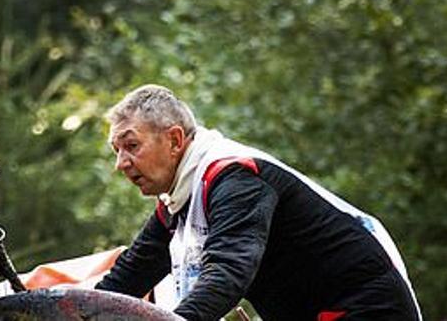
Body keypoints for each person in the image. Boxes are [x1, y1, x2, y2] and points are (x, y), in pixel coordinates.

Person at [95, 84, 421, 321]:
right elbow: (129, 275)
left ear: (175, 140)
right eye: (117, 151)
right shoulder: (180, 200)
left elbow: (228, 271)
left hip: (365, 308)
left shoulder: (236, 178)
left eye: (131, 145)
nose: (121, 163)